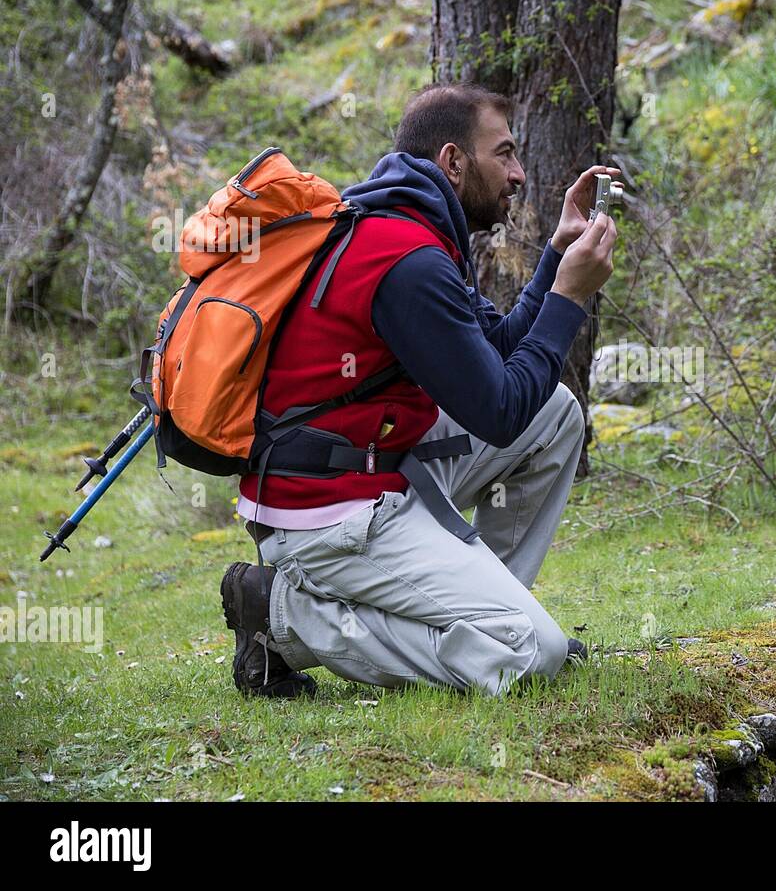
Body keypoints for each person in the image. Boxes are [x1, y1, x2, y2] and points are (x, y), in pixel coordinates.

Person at [219, 82, 619, 698]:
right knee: (532, 656)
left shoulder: (411, 231)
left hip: (370, 467)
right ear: (454, 162)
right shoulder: (407, 259)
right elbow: (497, 413)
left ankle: (486, 615)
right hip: (328, 514)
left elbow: (503, 354)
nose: (518, 174)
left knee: (557, 412)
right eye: (505, 154)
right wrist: (568, 297)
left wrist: (555, 258)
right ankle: (285, 617)